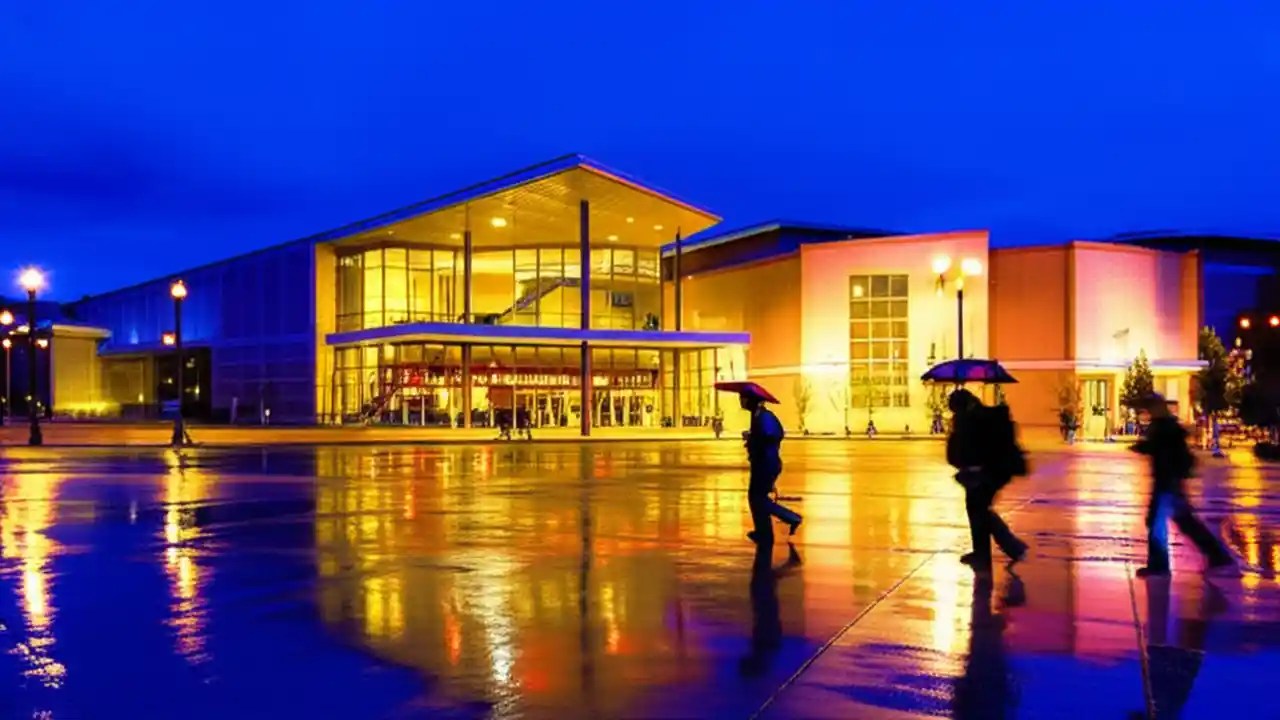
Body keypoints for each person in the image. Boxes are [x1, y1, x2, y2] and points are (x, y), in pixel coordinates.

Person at [1130, 393, 1236, 577]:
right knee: (1185, 522)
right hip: (1169, 480)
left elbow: (1162, 448)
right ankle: (1217, 555)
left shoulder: (1164, 426)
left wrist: (1143, 447)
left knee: (1158, 523)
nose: (1147, 412)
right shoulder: (1166, 424)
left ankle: (1160, 565)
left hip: (1167, 481)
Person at [947, 388, 1028, 573]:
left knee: (979, 512)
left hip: (983, 474)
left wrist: (956, 432)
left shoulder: (972, 419)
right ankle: (989, 552)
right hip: (984, 473)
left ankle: (1011, 548)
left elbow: (968, 449)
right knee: (979, 512)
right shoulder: (974, 415)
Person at [740, 386, 802, 544]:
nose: (741, 401)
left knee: (758, 499)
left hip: (766, 464)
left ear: (751, 401)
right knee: (756, 498)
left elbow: (772, 435)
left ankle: (791, 518)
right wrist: (752, 437)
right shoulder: (757, 416)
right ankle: (763, 532)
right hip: (762, 463)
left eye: (743, 398)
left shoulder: (764, 416)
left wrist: (754, 438)